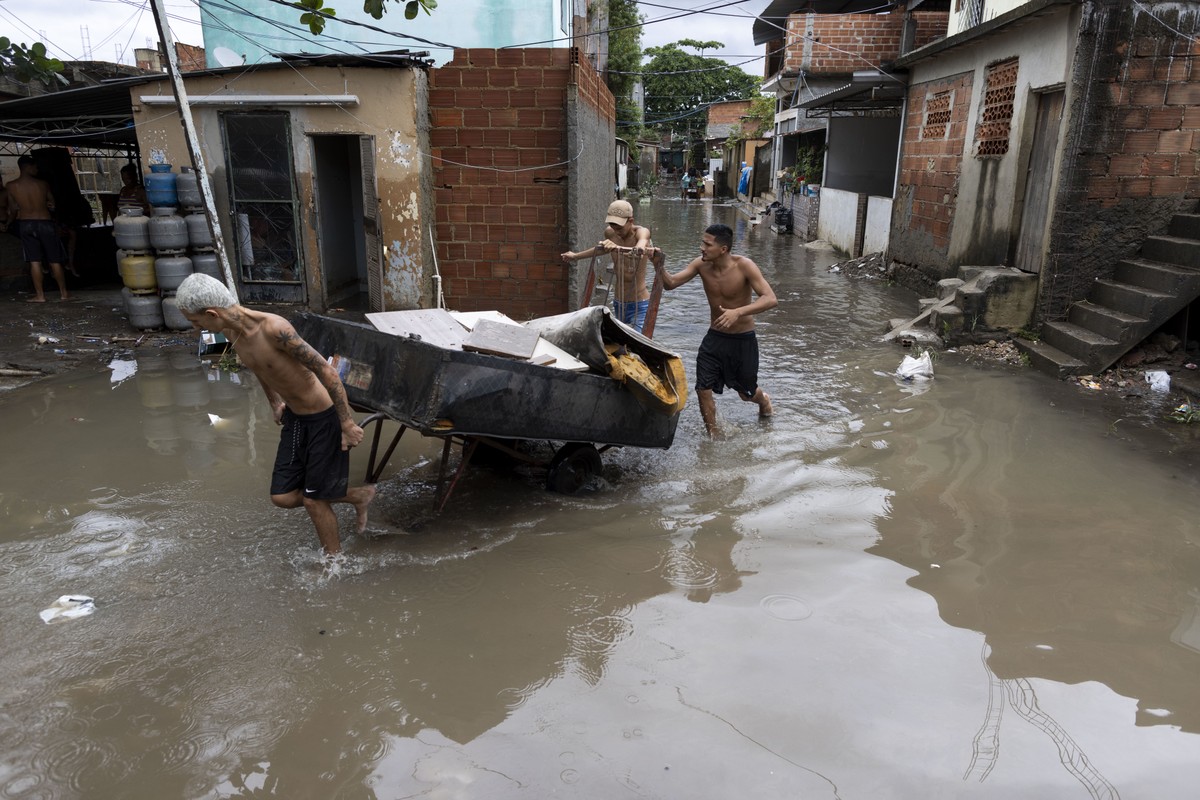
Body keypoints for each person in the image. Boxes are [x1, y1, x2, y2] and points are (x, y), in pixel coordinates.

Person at [174, 273, 375, 557]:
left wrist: (346, 423)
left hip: (323, 417)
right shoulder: (231, 332)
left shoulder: (275, 329)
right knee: (282, 496)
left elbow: (326, 370)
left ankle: (334, 563)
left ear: (212, 314)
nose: (197, 329)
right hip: (295, 417)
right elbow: (259, 366)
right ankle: (358, 495)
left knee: (314, 501)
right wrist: (275, 402)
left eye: (196, 323)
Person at [650, 223, 776, 437]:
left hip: (742, 340)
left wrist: (738, 312)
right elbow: (670, 284)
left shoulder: (744, 266)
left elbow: (771, 299)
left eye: (707, 244)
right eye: (702, 242)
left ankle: (763, 399)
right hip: (715, 338)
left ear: (723, 249)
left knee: (746, 394)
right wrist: (658, 264)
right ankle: (713, 435)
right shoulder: (701, 265)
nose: (702, 248)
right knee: (703, 387)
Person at [560, 199, 653, 332]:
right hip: (619, 302)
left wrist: (618, 247)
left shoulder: (641, 232)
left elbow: (640, 247)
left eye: (619, 227)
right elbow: (601, 249)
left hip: (640, 304)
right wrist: (575, 256)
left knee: (636, 343)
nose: (616, 230)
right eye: (612, 225)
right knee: (619, 343)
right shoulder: (610, 233)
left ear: (631, 221)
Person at [3, 155, 70, 302]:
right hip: (45, 223)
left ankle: (40, 295)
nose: (37, 169)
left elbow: (13, 209)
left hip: (26, 224)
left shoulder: (11, 186)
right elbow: (52, 204)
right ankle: (64, 294)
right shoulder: (43, 184)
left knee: (34, 261)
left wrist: (8, 223)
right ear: (27, 167)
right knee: (55, 261)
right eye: (34, 166)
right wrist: (47, 205)